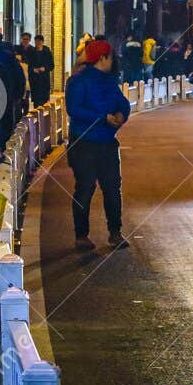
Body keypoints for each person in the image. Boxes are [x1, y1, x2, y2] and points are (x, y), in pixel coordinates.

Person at [64, 40, 130, 251]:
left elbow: (122, 102)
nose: (113, 60)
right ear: (102, 58)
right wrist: (104, 118)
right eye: (110, 56)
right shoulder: (78, 81)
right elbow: (74, 109)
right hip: (83, 142)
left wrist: (121, 113)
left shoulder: (110, 80)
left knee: (112, 187)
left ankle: (115, 232)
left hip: (107, 143)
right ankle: (81, 235)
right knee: (85, 187)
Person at [27, 33, 55, 107]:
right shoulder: (32, 52)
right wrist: (33, 70)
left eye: (39, 41)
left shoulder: (47, 52)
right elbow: (29, 66)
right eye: (36, 42)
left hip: (44, 80)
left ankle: (44, 117)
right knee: (36, 102)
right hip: (35, 80)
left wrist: (45, 68)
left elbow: (52, 65)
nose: (37, 43)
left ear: (42, 42)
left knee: (45, 102)